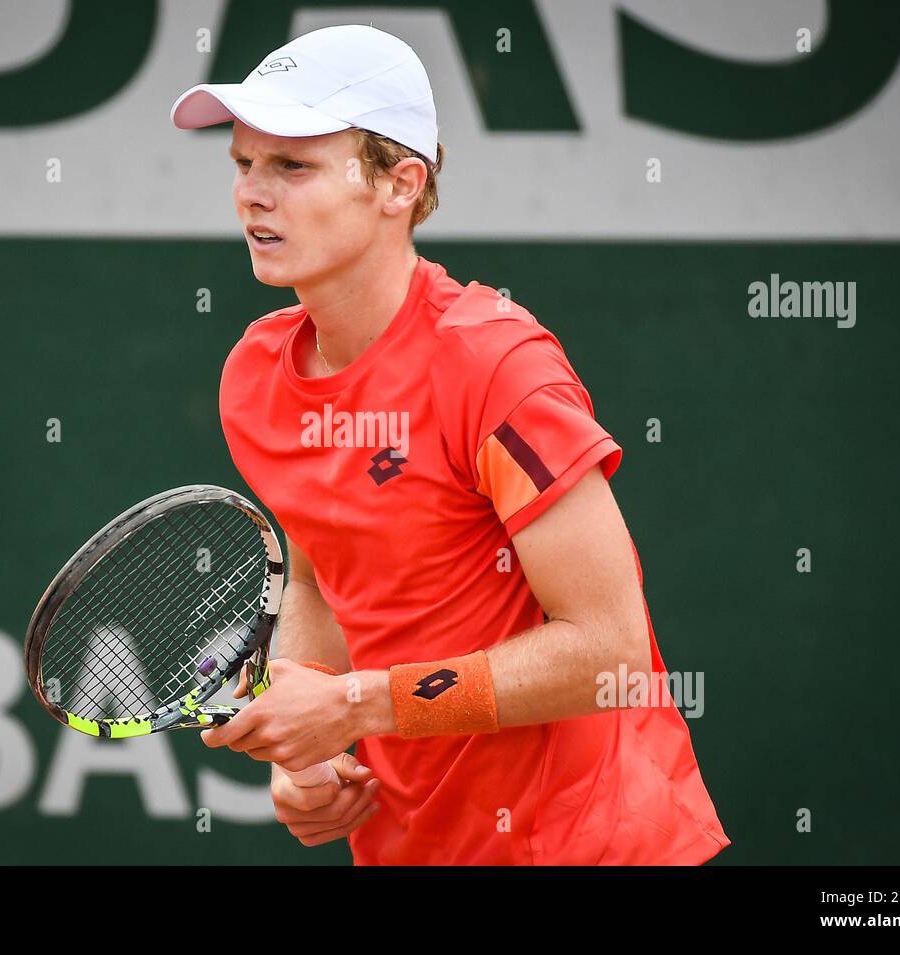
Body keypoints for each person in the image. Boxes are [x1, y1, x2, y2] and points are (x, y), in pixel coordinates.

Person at [170, 24, 730, 865]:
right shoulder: (255, 377)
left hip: (592, 844)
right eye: (243, 164)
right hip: (413, 843)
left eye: (292, 166)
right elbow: (323, 580)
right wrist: (314, 751)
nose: (253, 194)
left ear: (400, 184)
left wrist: (354, 706)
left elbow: (608, 649)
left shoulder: (497, 367)